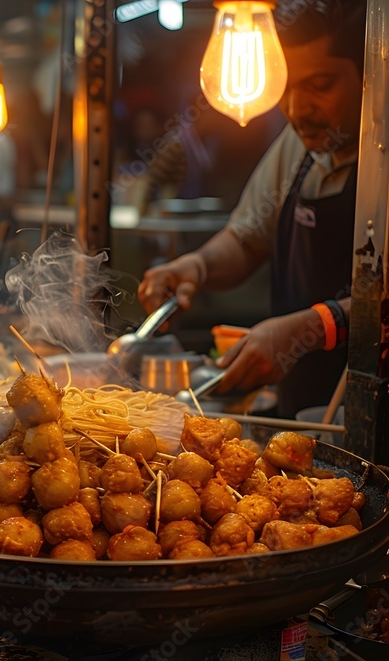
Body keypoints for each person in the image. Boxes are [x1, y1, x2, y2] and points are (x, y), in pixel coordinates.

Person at [138, 0, 365, 418]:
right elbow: (247, 239)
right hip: (299, 412)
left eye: (321, 84)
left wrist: (313, 326)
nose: (297, 109)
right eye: (287, 88)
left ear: (370, 77)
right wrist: (197, 266)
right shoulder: (298, 148)